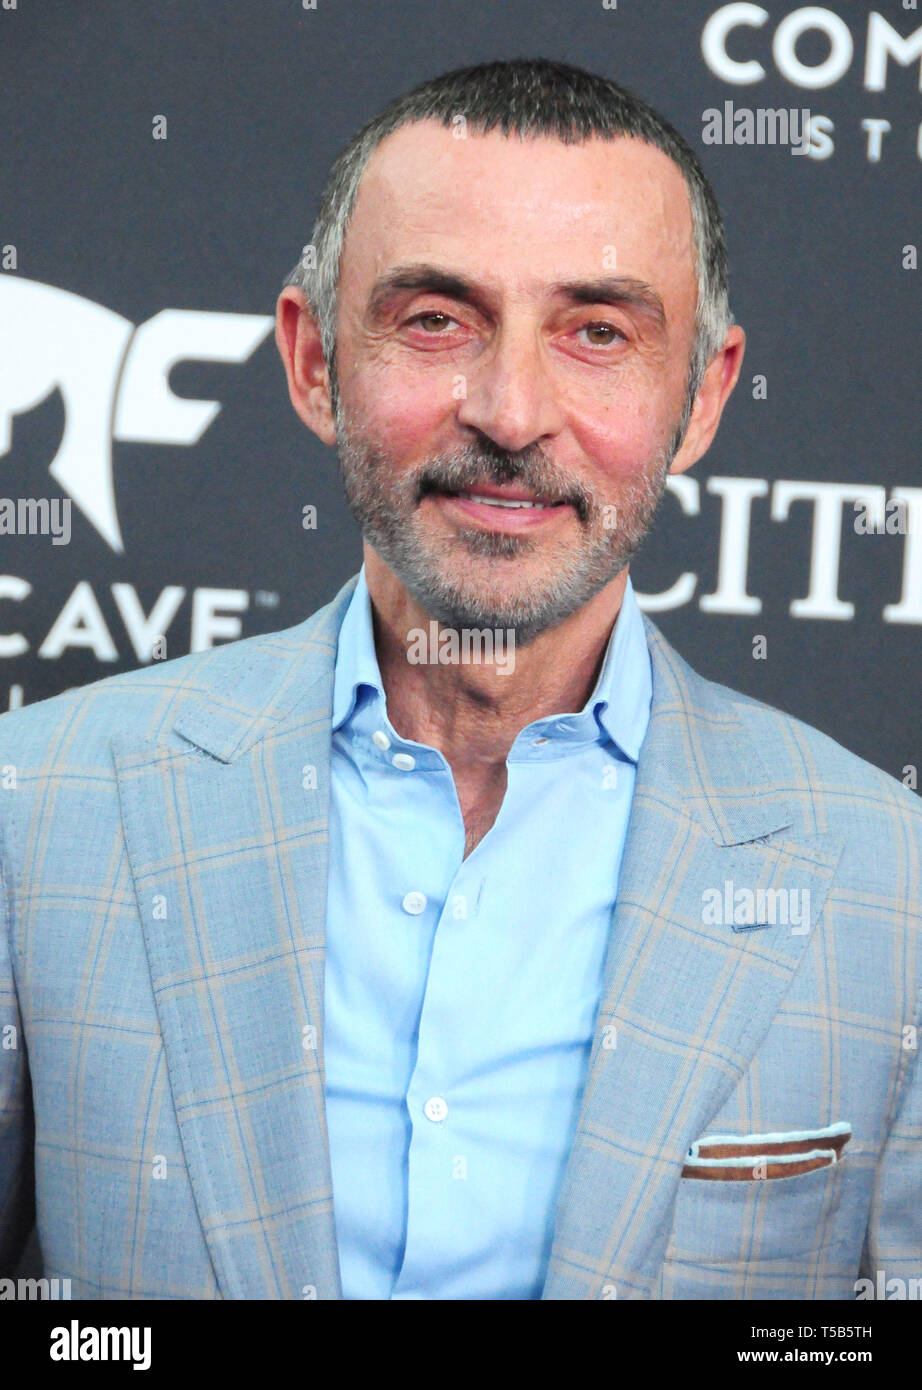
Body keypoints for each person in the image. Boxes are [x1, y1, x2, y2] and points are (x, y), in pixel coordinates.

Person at [1, 58, 919, 1301]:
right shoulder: (36, 810)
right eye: (436, 319)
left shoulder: (887, 884)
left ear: (701, 398)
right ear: (315, 363)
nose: (509, 410)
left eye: (598, 331)